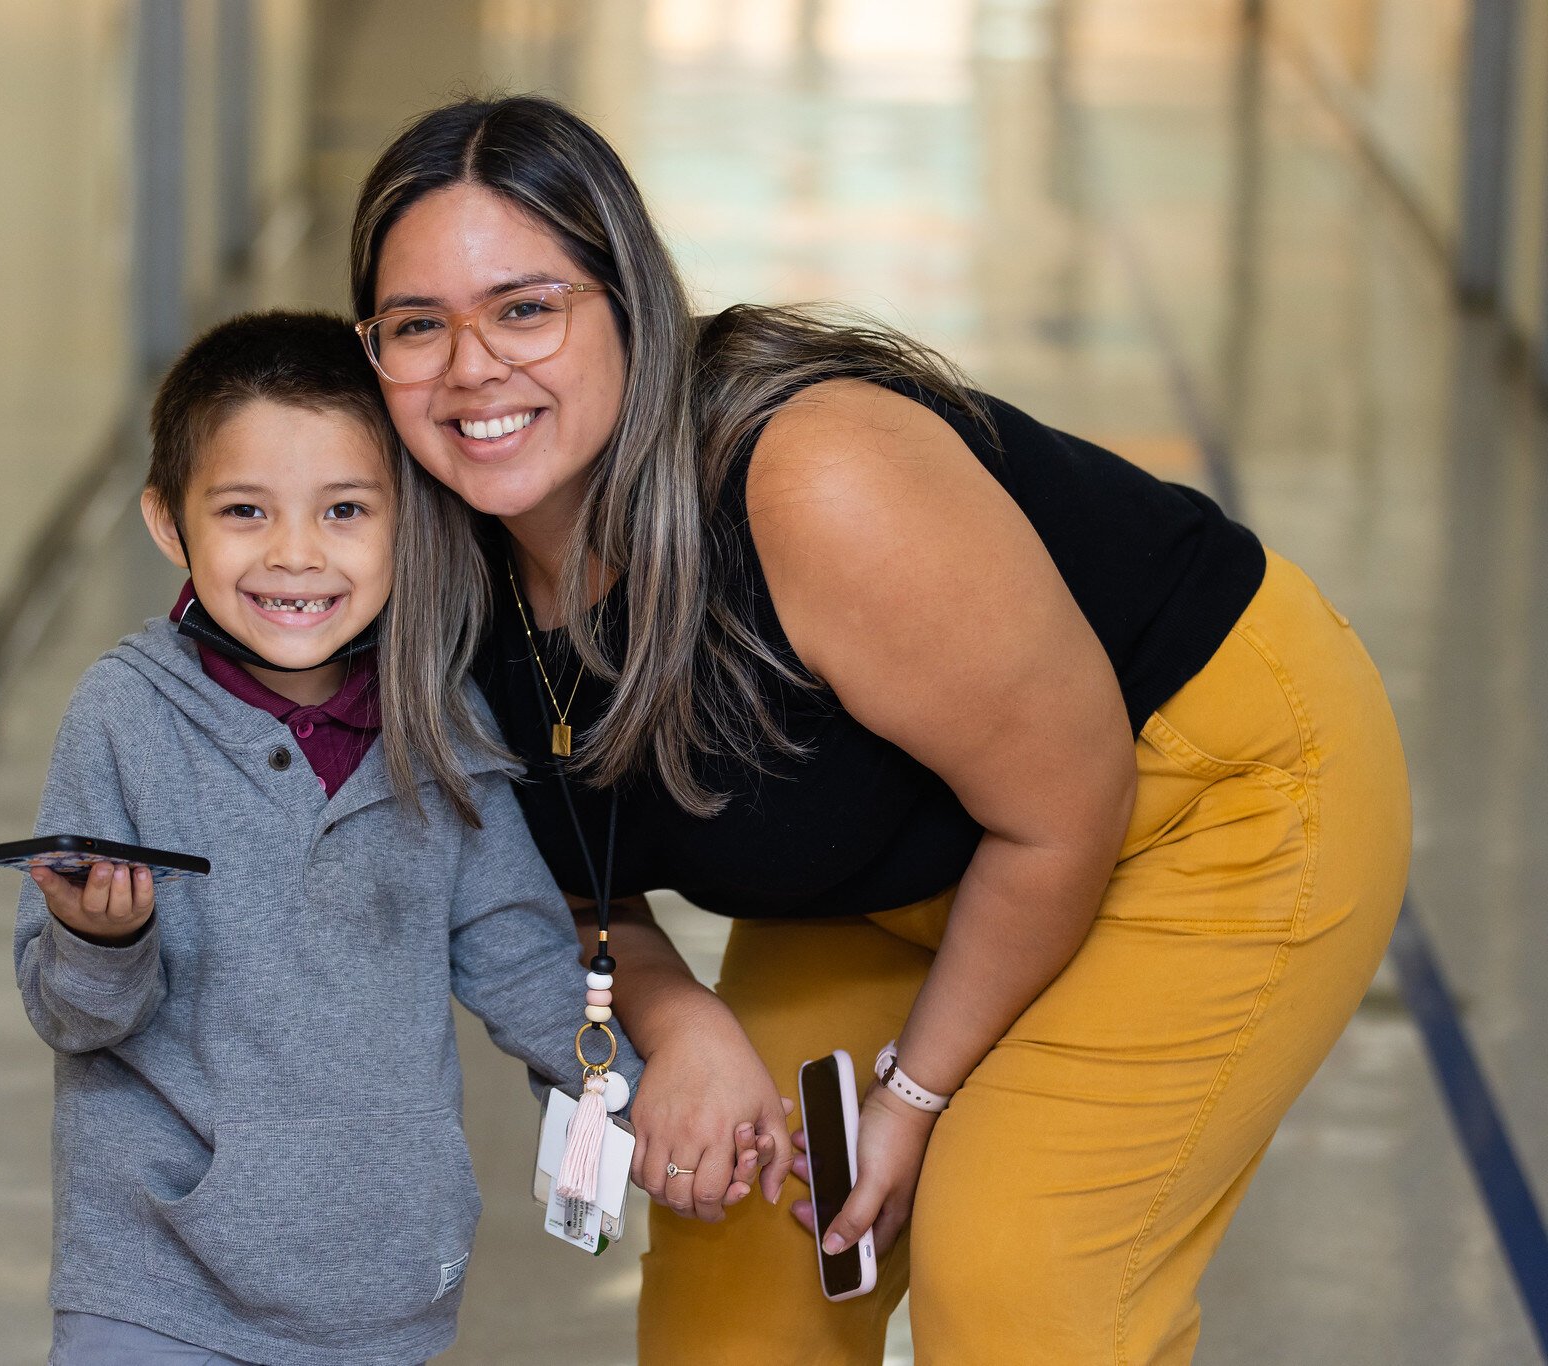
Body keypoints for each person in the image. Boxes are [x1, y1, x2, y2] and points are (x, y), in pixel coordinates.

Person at [346, 96, 1412, 1364]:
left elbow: (1065, 804)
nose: (471, 368)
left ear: (629, 304)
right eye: (417, 325)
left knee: (1014, 1271)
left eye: (525, 308)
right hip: (888, 860)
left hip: (1189, 798)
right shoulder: (418, 571)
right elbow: (552, 877)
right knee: (743, 1272)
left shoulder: (811, 481)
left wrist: (915, 1091)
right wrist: (681, 1024)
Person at [13, 310, 643, 1366]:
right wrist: (101, 939)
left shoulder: (444, 727)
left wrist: (633, 1102)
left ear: (410, 520)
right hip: (150, 1285)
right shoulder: (122, 718)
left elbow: (523, 957)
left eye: (345, 509)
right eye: (245, 511)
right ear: (168, 522)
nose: (296, 554)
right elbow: (72, 1016)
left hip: (379, 1294)